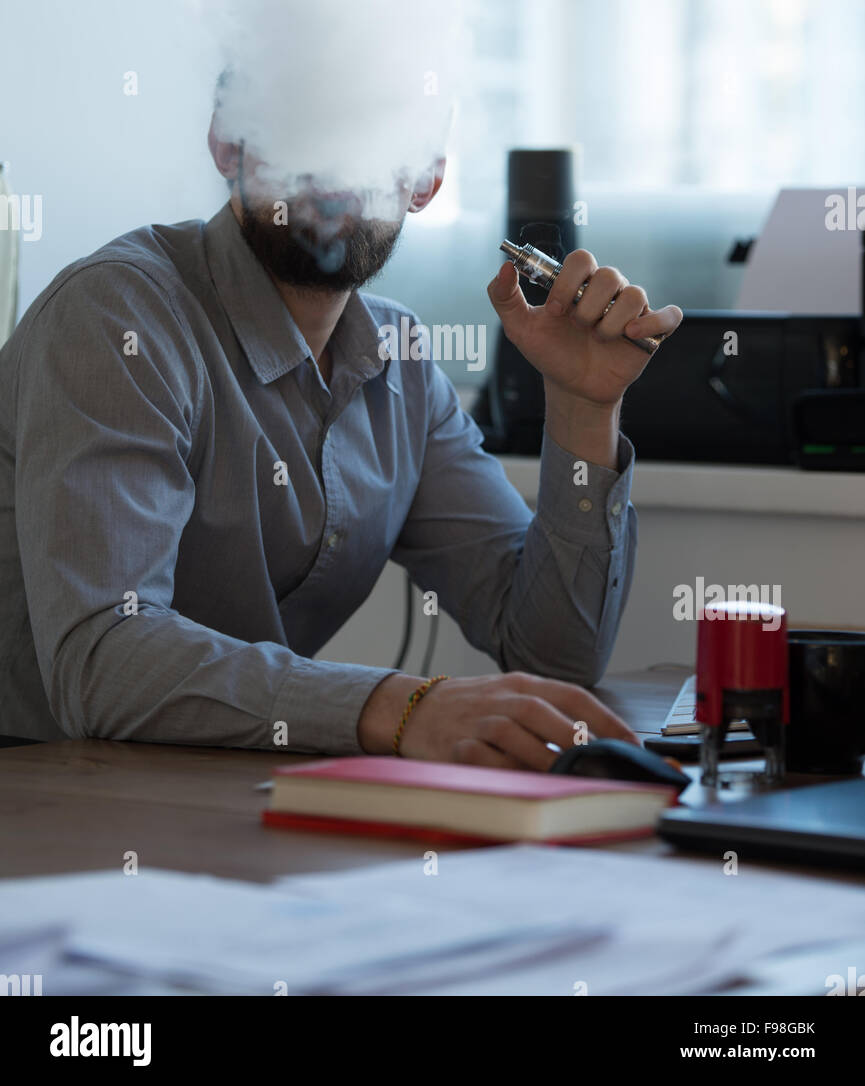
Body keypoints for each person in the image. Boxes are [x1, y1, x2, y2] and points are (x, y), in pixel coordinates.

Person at [0, 118, 681, 767]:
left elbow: (552, 657)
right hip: (46, 799)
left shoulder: (400, 358)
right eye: (297, 120)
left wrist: (582, 407)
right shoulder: (115, 316)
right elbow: (100, 661)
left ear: (427, 181)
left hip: (221, 796)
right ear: (226, 143)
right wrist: (407, 707)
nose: (331, 167)